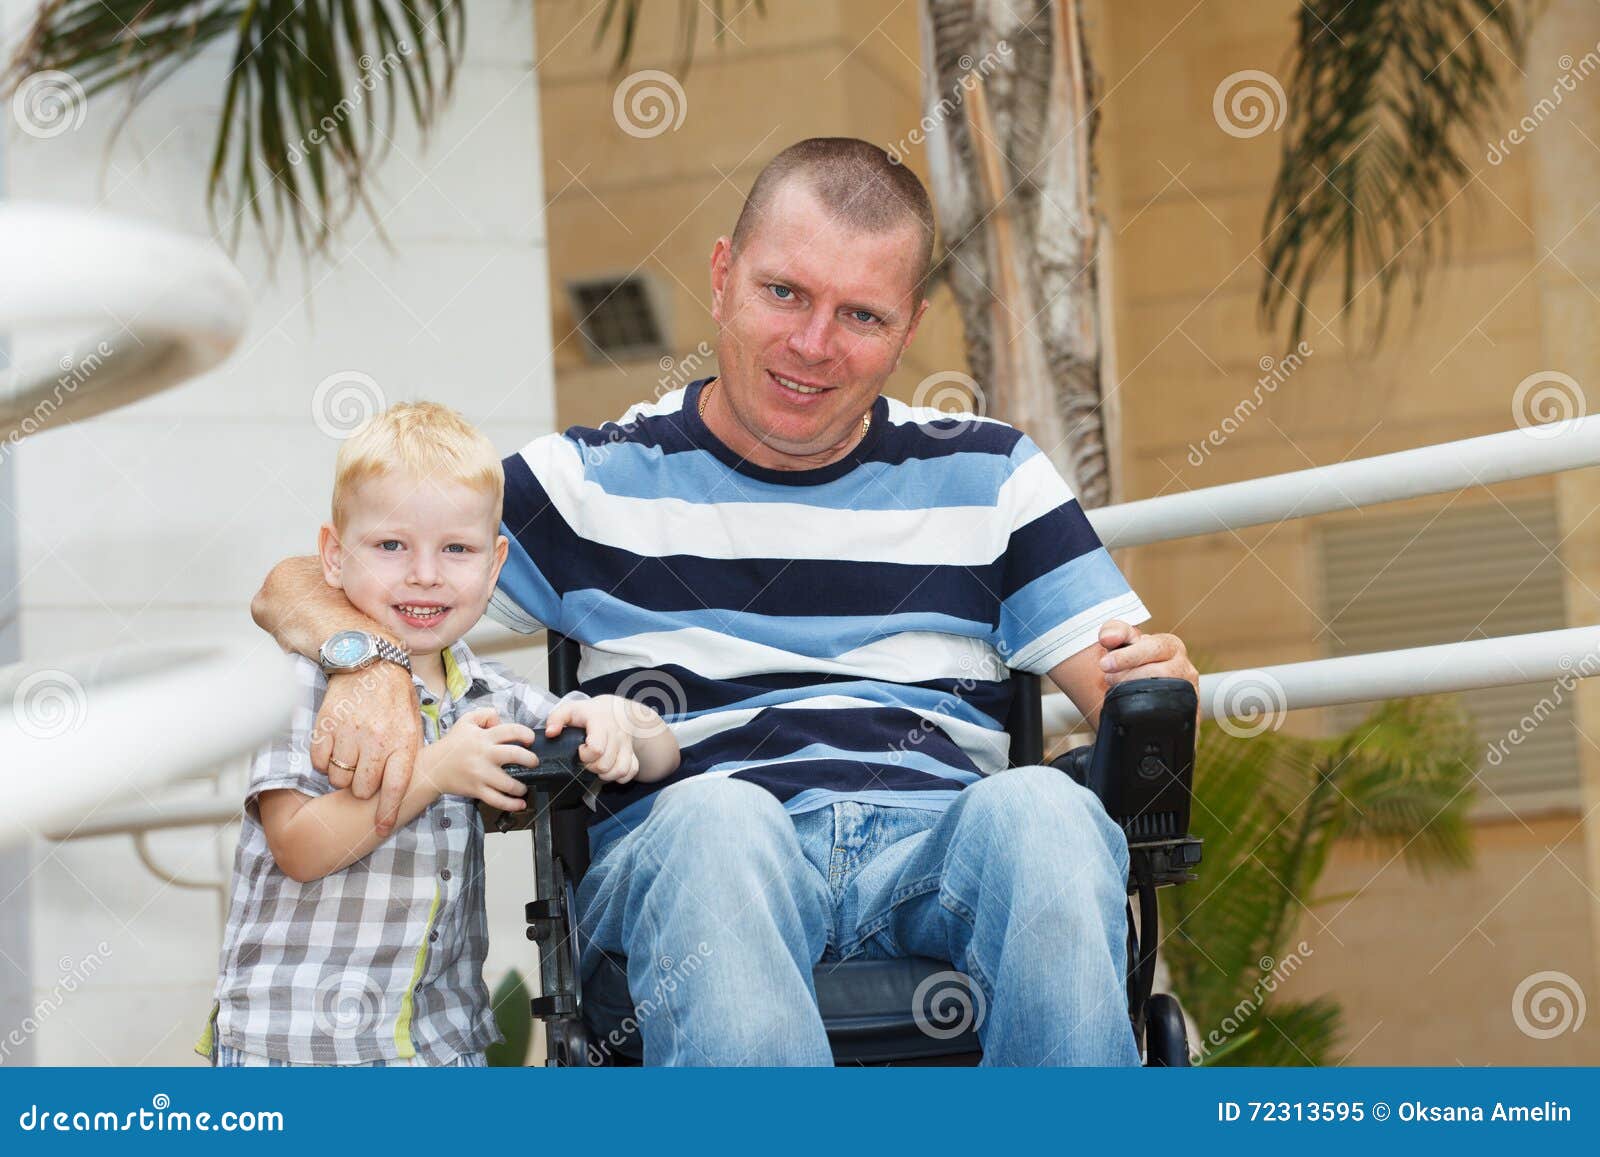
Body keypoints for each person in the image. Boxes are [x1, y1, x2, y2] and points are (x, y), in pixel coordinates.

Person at [251, 139, 1199, 1066]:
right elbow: (301, 578)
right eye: (783, 292)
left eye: (860, 315)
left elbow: (1131, 688)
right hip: (696, 851)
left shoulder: (993, 474)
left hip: (935, 851)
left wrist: (1159, 681)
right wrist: (364, 661)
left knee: (1047, 810)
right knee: (722, 820)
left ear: (909, 327)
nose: (811, 345)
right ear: (722, 275)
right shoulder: (592, 482)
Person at [199, 401, 678, 1067]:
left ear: (493, 564)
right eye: (391, 545)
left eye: (456, 548)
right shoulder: (303, 680)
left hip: (440, 1045)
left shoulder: (488, 694)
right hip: (302, 1045)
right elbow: (299, 848)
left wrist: (616, 719)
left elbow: (663, 755)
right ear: (334, 557)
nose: (424, 572)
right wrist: (433, 771)